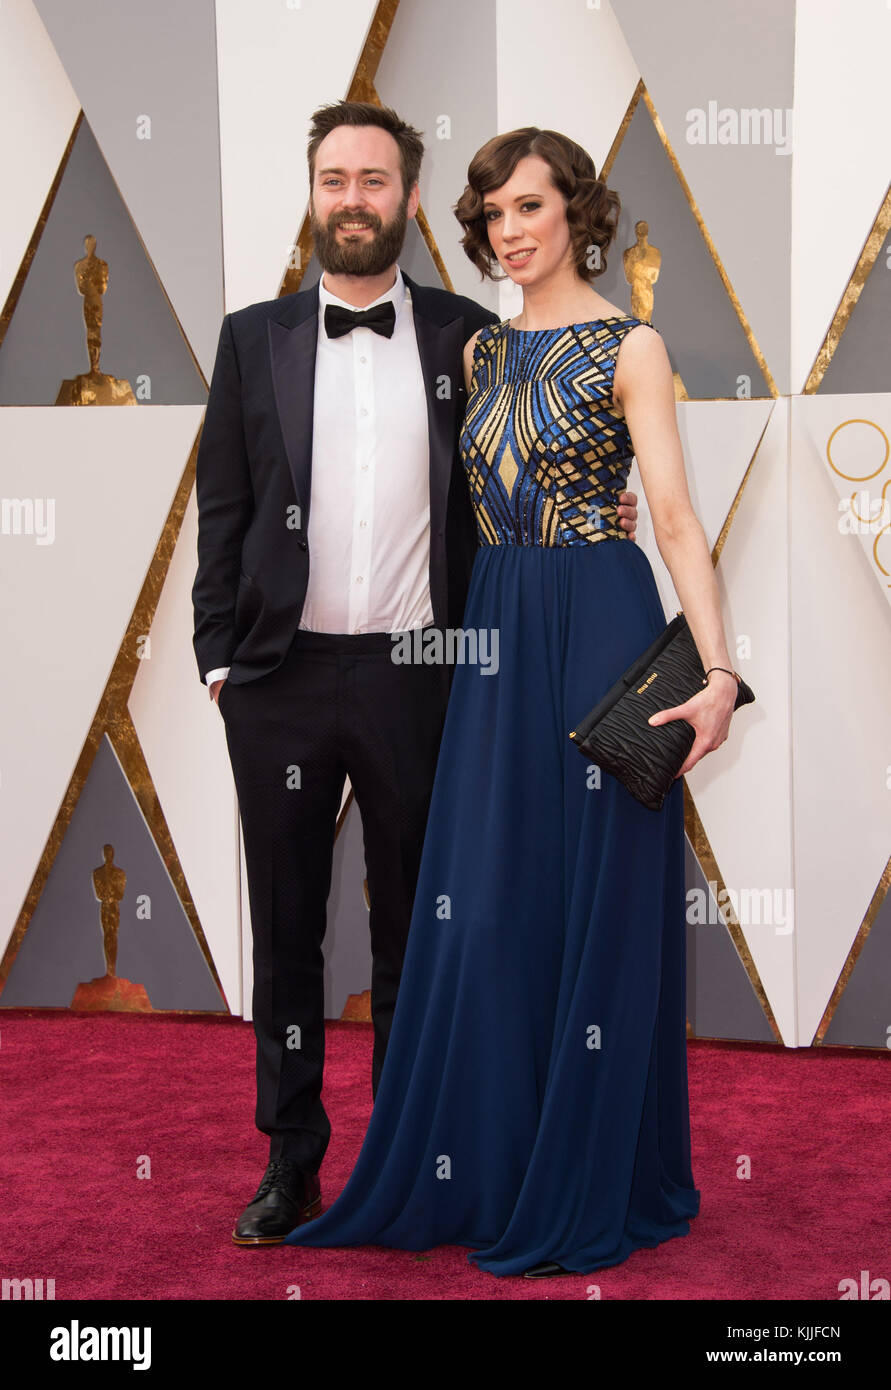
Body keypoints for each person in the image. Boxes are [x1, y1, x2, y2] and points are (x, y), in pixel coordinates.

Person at [285, 126, 743, 1278]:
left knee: (592, 897)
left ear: (575, 213)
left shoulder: (632, 343)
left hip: (599, 619)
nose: (512, 230)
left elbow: (675, 516)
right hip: (494, 637)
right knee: (490, 904)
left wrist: (721, 671)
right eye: (493, 214)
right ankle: (486, 1160)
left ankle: (593, 1167)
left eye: (532, 206)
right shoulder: (480, 352)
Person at [191, 101, 643, 1246]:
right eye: (335, 178)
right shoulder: (252, 338)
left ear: (406, 198)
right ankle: (291, 1162)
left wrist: (603, 506)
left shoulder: (465, 336)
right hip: (279, 682)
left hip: (425, 673)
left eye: (376, 180)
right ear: (313, 193)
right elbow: (225, 509)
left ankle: (412, 1148)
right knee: (289, 933)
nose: (354, 197)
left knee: (424, 928)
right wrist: (215, 664)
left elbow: (528, 462)